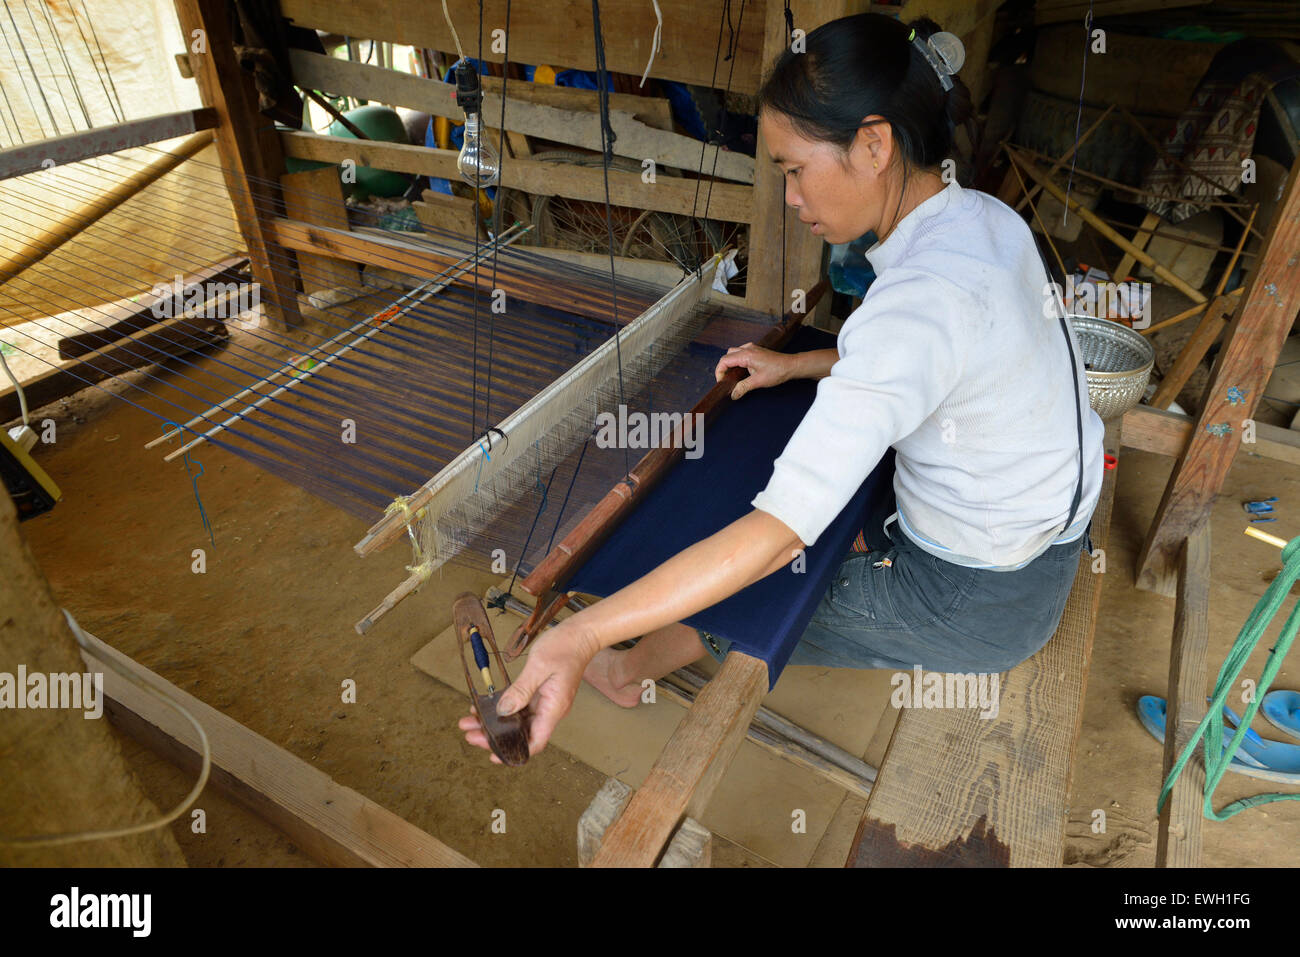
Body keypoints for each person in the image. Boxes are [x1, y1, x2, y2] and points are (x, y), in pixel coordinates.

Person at [461, 13, 1105, 763]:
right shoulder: (984, 218)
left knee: (753, 582)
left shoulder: (917, 303)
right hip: (1046, 539)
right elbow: (948, 359)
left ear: (874, 145)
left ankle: (619, 669)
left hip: (981, 603)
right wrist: (798, 365)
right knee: (788, 521)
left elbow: (776, 536)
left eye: (795, 168)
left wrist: (581, 635)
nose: (792, 197)